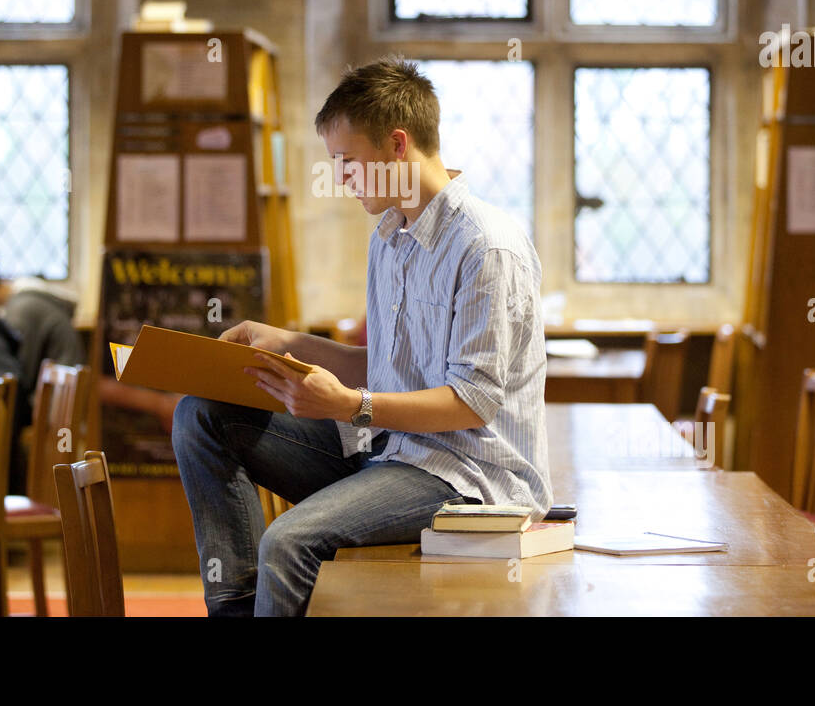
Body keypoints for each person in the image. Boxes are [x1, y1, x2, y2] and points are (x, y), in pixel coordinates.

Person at [172, 55, 552, 616]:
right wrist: (288, 343)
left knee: (287, 542)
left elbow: (472, 402)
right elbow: (391, 369)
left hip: (470, 477)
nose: (341, 179)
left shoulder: (485, 246)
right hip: (390, 450)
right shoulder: (389, 236)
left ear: (398, 146)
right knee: (201, 413)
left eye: (347, 162)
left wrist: (352, 406)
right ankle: (239, 609)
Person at [0, 262, 86, 492]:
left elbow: (19, 377)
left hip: (52, 409)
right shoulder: (25, 301)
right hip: (53, 399)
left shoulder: (22, 309)